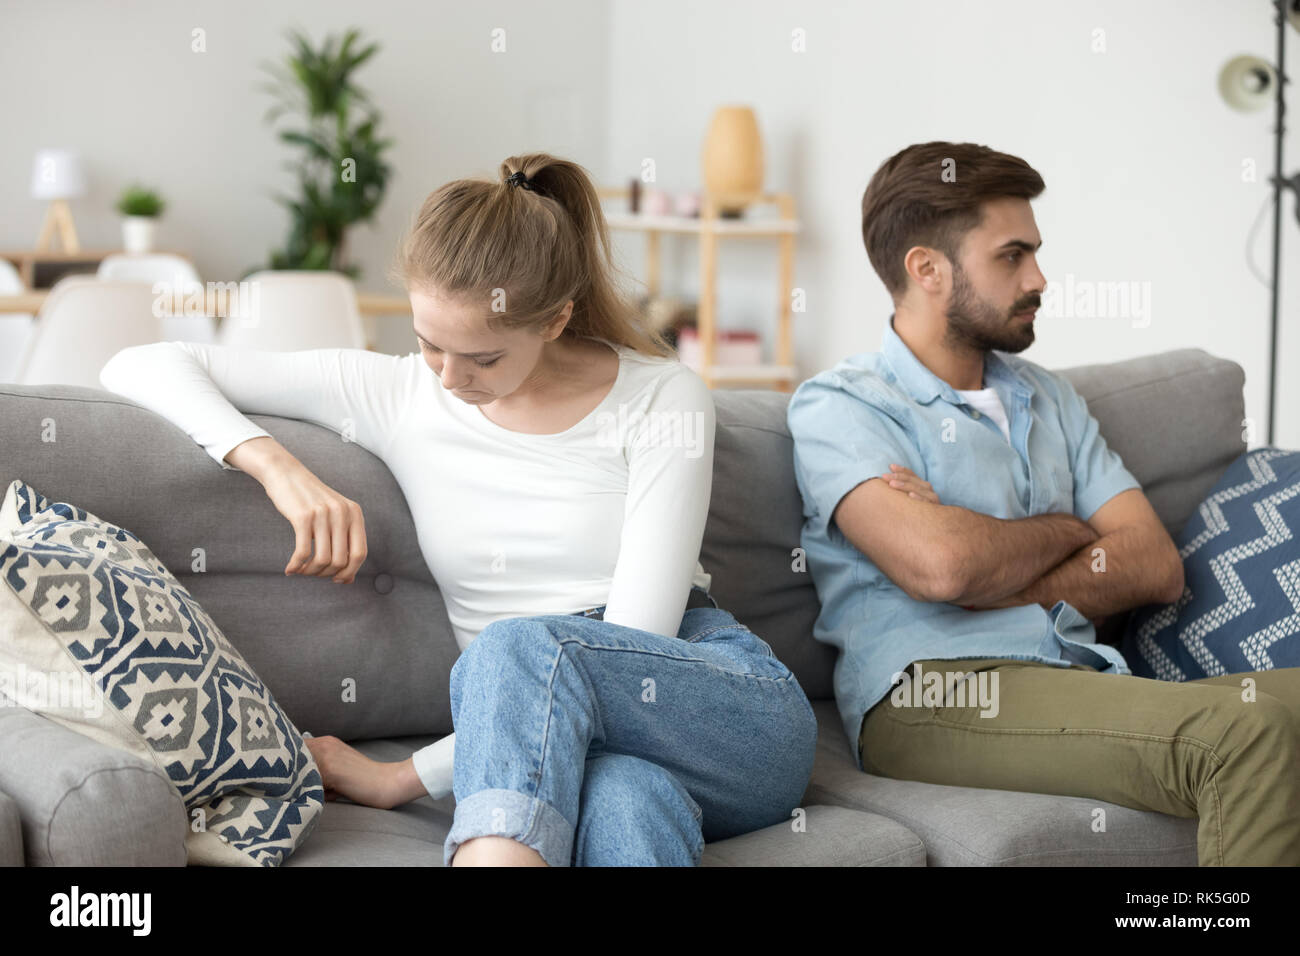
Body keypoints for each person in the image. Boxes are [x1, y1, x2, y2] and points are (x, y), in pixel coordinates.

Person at [98, 152, 817, 867]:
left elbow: (638, 640)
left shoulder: (663, 397)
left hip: (717, 709)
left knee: (520, 645)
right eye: (429, 344)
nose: (450, 376)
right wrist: (277, 467)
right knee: (627, 800)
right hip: (564, 752)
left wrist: (402, 777)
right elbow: (140, 362)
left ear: (556, 319)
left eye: (482, 358)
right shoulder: (401, 394)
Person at [785, 140, 1300, 866]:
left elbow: (1154, 564)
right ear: (927, 269)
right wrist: (1075, 531)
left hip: (1074, 674)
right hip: (934, 692)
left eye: (1035, 254)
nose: (1040, 277)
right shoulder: (842, 406)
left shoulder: (1047, 397)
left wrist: (995, 565)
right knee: (1244, 733)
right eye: (1012, 256)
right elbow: (943, 569)